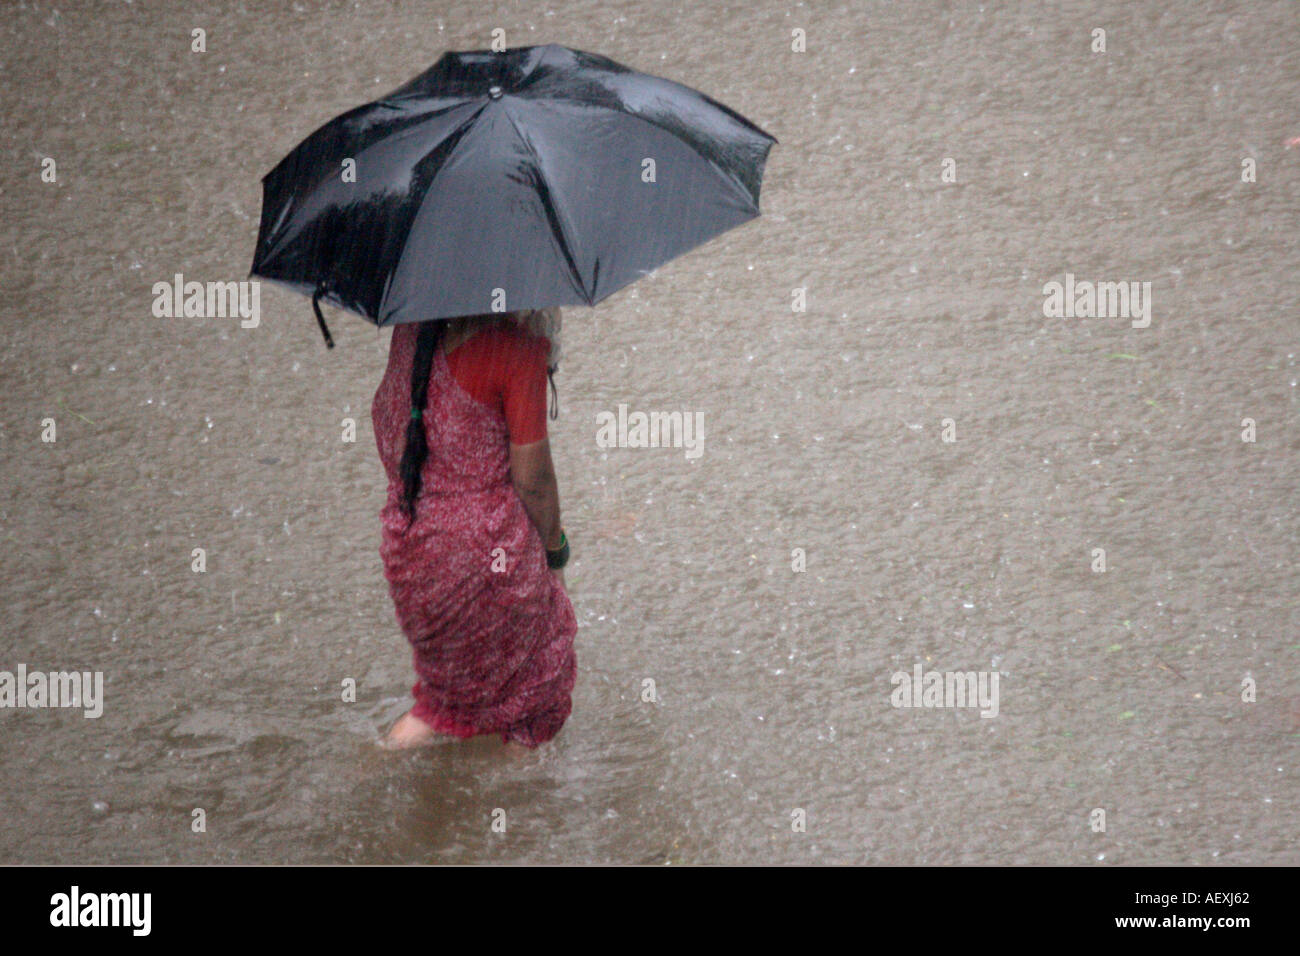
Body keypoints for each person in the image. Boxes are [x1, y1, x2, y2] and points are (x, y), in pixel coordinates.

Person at [370, 308, 576, 750]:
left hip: (411, 551)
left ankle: (377, 770)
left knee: (445, 704)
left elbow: (391, 429)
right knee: (537, 694)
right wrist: (556, 553)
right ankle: (523, 813)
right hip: (485, 561)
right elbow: (533, 481)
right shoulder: (517, 348)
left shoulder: (414, 332)